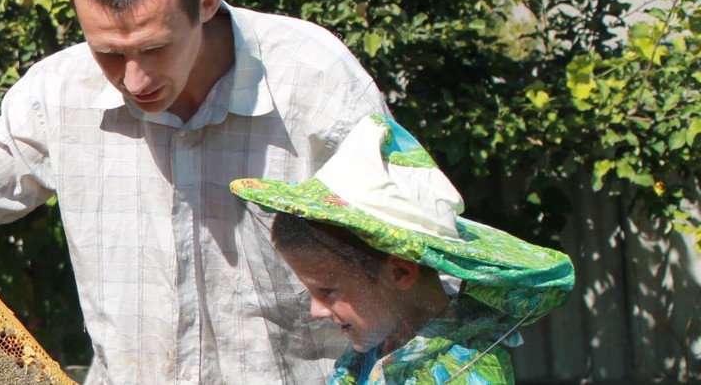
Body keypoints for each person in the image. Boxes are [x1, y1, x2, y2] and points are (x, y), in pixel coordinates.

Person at [0, 0, 392, 382]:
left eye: (154, 47)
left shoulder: (315, 78)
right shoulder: (58, 92)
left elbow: (410, 261)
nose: (134, 79)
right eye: (109, 53)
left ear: (207, 2)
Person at [231, 114, 574, 383]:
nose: (316, 311)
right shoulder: (378, 350)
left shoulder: (464, 371)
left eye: (327, 290)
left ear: (400, 271)